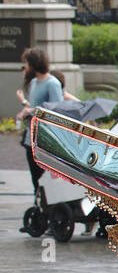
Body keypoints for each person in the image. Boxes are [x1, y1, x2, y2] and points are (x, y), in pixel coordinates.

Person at [15, 47, 64, 189]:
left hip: (45, 139)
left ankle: (49, 209)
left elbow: (57, 110)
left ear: (33, 64)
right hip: (30, 138)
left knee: (46, 180)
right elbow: (36, 106)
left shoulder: (52, 83)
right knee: (35, 178)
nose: (25, 66)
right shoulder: (34, 82)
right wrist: (26, 112)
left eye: (27, 63)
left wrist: (31, 110)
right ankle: (38, 206)